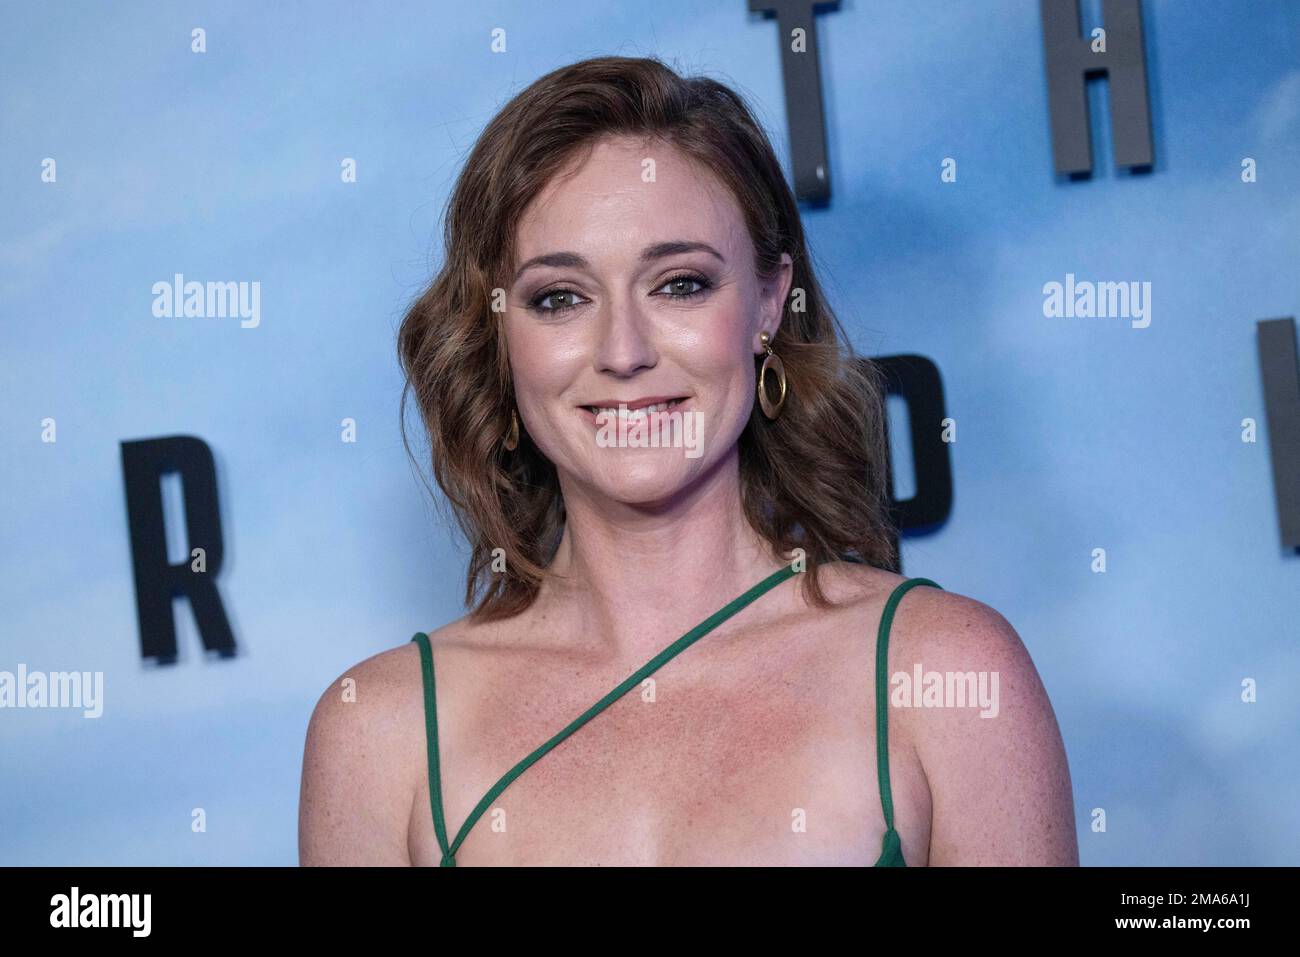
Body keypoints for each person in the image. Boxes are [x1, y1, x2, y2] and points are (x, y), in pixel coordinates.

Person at [298, 55, 1078, 866]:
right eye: (560, 297)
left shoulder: (942, 675)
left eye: (679, 284)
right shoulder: (379, 733)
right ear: (499, 335)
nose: (624, 352)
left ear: (770, 303)